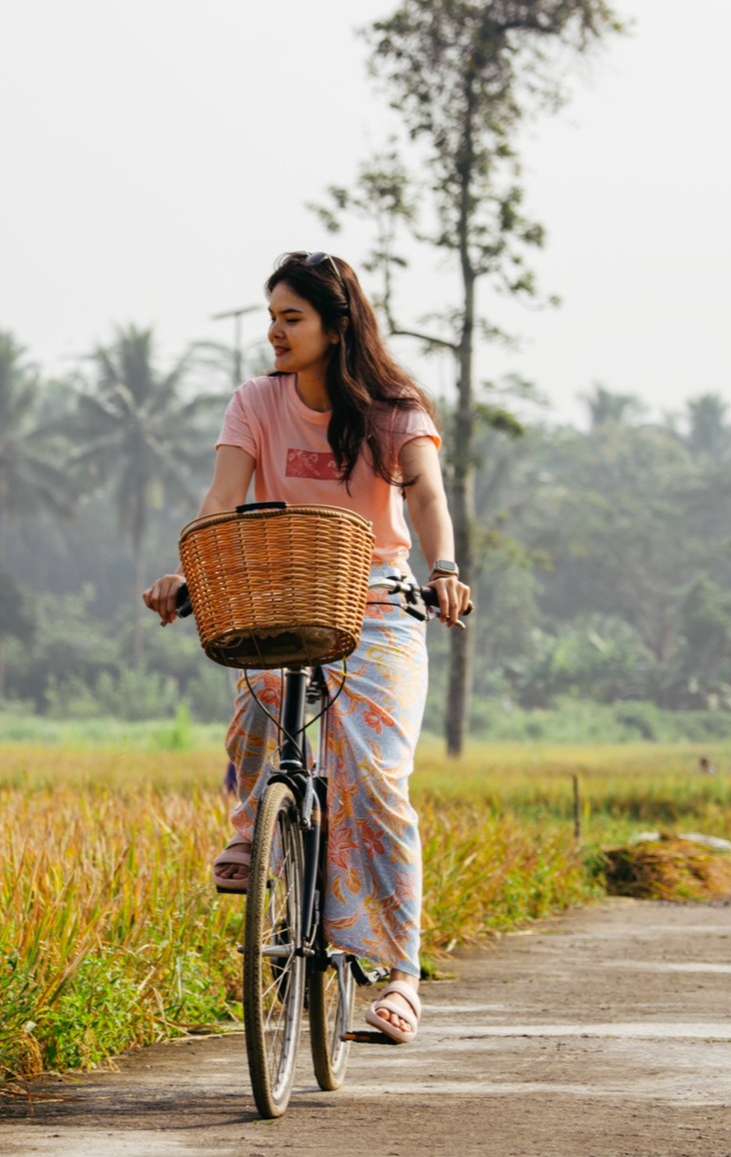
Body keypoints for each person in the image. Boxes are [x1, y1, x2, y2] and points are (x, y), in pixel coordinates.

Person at [142, 251, 470, 1045]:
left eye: (291, 319)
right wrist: (187, 574)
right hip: (278, 588)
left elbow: (423, 492)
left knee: (375, 776)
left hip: (379, 602)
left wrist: (445, 568)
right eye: (272, 317)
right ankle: (258, 821)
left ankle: (398, 975)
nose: (274, 332)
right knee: (255, 693)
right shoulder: (255, 401)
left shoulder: (393, 407)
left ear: (335, 324)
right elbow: (221, 499)